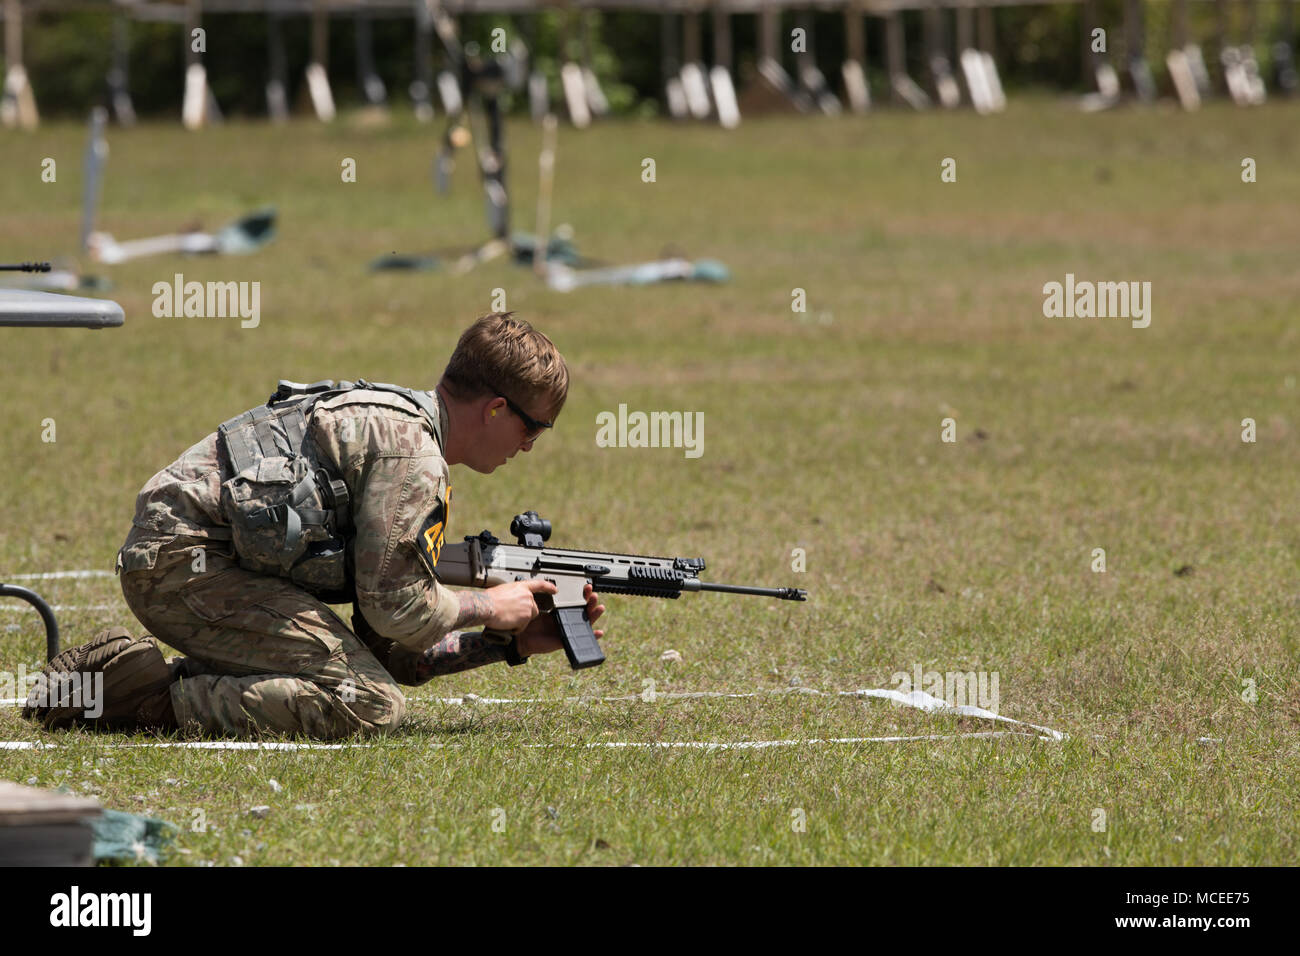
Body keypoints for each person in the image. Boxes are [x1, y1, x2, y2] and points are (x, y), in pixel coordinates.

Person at [23, 313, 605, 739]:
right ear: (497, 409)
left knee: (362, 680)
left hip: (189, 559)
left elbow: (389, 645)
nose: (529, 446)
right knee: (369, 705)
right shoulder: (414, 460)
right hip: (184, 564)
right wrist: (488, 607)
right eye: (535, 427)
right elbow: (397, 612)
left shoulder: (403, 430)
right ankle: (140, 700)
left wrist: (508, 645)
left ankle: (124, 682)